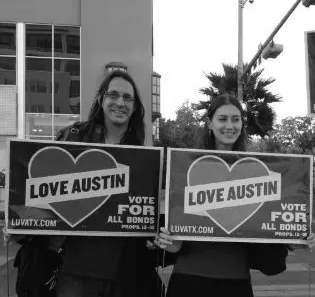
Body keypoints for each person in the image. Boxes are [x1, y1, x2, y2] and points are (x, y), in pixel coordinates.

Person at [154, 94, 315, 297]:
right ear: (209, 124)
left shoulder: (258, 171)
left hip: (236, 284)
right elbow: (173, 242)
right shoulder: (185, 168)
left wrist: (294, 233)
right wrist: (167, 240)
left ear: (242, 125)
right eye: (222, 119)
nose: (229, 125)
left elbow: (267, 227)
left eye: (235, 119)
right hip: (189, 282)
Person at [53, 69, 163, 297]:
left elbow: (150, 211)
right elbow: (45, 197)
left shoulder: (144, 158)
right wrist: (22, 226)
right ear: (102, 98)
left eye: (127, 98)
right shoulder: (74, 140)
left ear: (134, 107)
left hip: (128, 274)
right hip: (77, 271)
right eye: (114, 95)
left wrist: (154, 236)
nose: (120, 103)